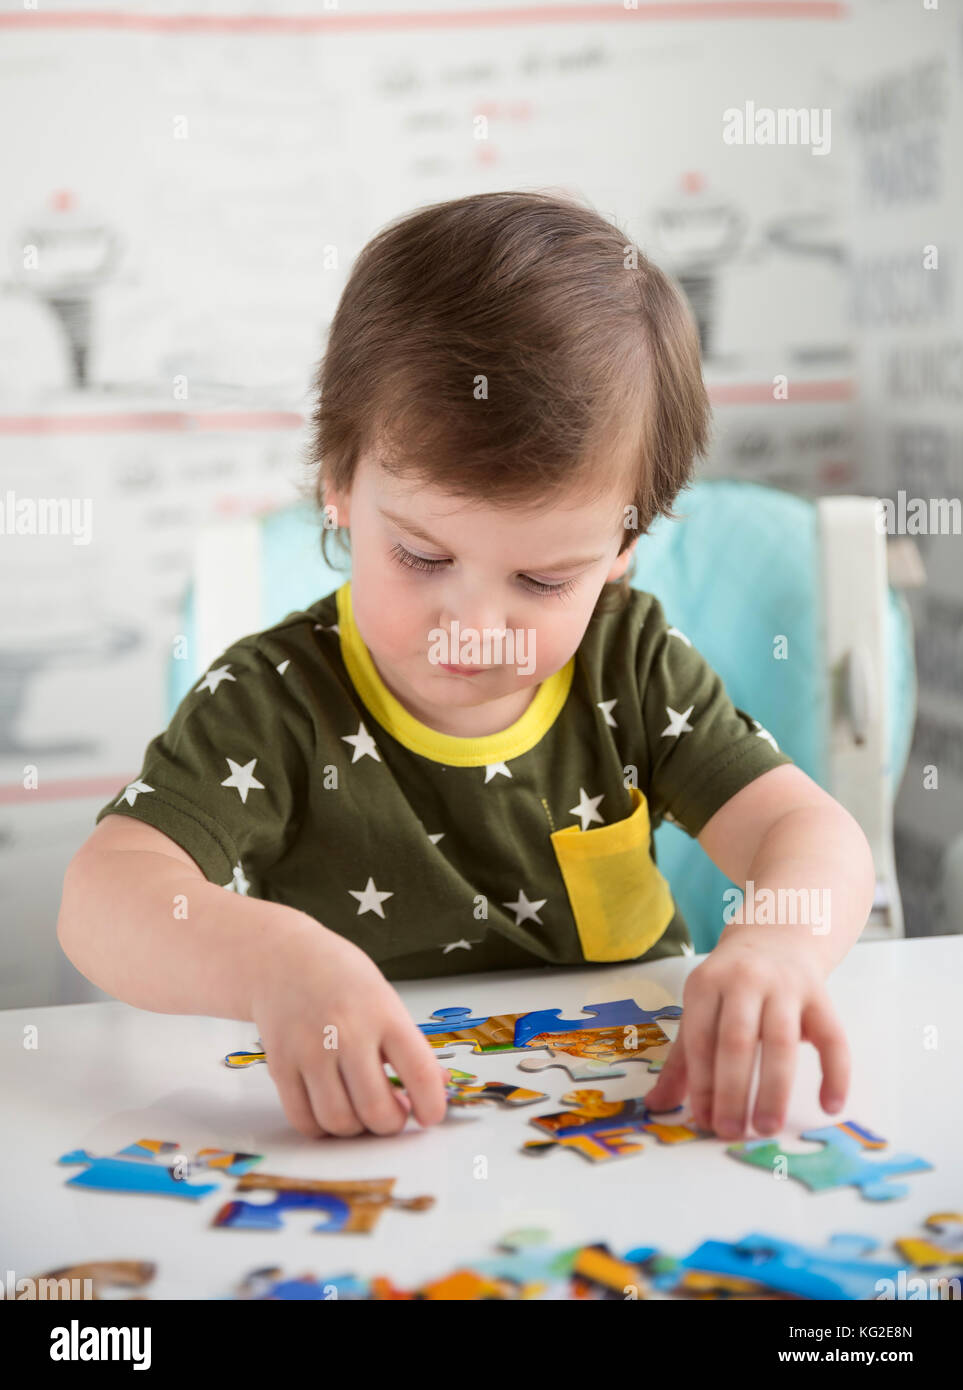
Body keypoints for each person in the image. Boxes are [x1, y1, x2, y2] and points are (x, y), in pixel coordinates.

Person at [58, 191, 874, 1146]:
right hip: (365, 1145)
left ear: (623, 548)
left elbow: (807, 834)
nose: (473, 627)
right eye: (422, 558)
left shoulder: (631, 664)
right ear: (340, 489)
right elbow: (101, 899)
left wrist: (775, 950)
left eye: (539, 578)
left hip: (626, 1135)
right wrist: (272, 961)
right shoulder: (271, 701)